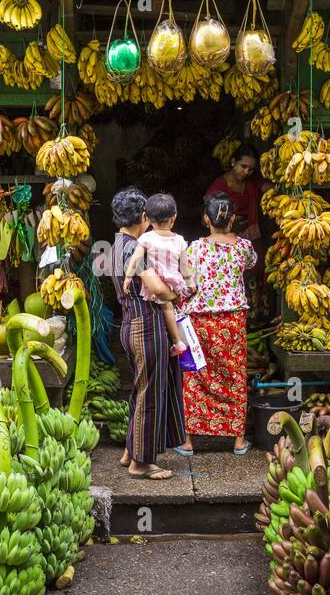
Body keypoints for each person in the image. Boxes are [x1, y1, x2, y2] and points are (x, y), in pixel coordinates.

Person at [109, 187, 186, 481]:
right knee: (150, 393)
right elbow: (155, 287)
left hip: (130, 326)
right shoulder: (133, 247)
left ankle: (132, 450)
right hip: (146, 326)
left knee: (140, 390)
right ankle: (141, 463)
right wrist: (174, 294)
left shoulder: (117, 244)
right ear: (143, 216)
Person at [174, 193, 258, 456]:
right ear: (233, 218)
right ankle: (238, 441)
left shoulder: (195, 248)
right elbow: (251, 263)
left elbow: (187, 285)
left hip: (200, 321)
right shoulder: (243, 247)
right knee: (234, 376)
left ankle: (188, 441)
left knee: (196, 376)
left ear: (205, 219)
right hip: (232, 321)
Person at [121, 193, 190, 357]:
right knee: (173, 307)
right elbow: (185, 266)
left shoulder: (146, 238)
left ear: (148, 219)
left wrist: (128, 277)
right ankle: (181, 341)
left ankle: (177, 341)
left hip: (158, 281)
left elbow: (135, 260)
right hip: (174, 280)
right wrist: (189, 282)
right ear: (174, 218)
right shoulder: (180, 240)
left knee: (166, 306)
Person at [205, 145, 264, 242]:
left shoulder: (253, 179)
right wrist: (229, 218)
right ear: (233, 162)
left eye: (251, 169)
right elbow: (206, 218)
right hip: (229, 243)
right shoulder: (218, 187)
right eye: (243, 166)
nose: (246, 172)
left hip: (254, 239)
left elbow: (268, 187)